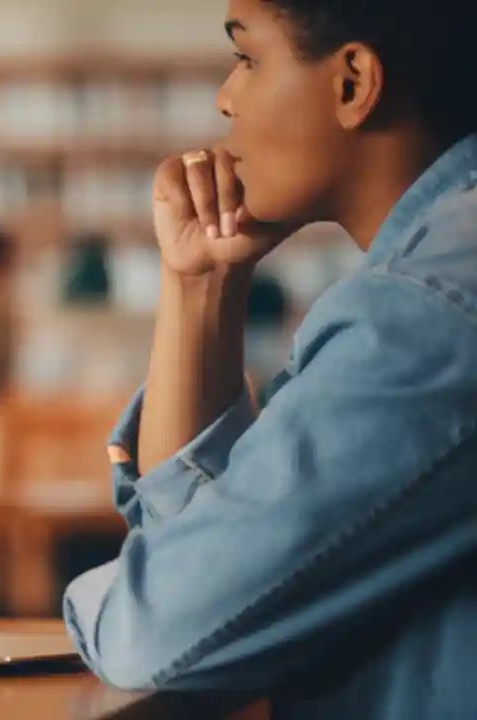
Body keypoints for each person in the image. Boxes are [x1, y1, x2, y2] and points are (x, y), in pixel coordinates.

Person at [62, 0, 477, 717]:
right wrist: (201, 285)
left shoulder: (426, 312)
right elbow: (222, 582)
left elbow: (160, 625)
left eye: (247, 58)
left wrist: (134, 586)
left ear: (353, 83)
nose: (225, 98)